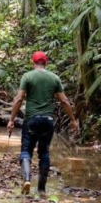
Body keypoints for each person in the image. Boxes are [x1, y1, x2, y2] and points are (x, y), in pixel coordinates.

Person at [6, 51, 78, 195]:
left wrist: (11, 119)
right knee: (44, 152)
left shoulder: (28, 76)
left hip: (31, 119)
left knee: (26, 151)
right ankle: (41, 189)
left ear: (33, 63)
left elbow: (19, 99)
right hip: (48, 121)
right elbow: (64, 101)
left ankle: (27, 179)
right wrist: (72, 120)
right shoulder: (54, 78)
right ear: (46, 63)